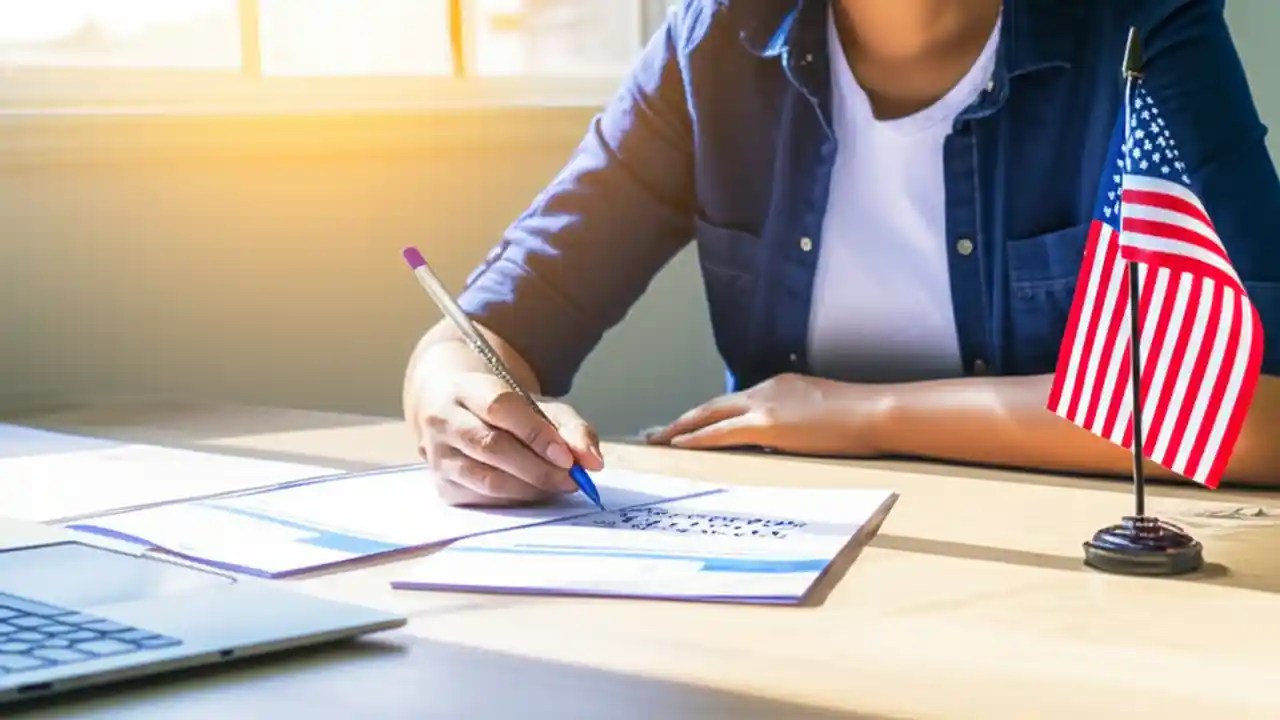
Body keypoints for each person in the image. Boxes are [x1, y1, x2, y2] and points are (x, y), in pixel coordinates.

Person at [404, 0, 1280, 506]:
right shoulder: (715, 38)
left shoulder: (1142, 25)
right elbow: (490, 325)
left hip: (1070, 586)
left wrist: (859, 414)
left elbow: (1261, 413)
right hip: (801, 580)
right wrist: (455, 404)